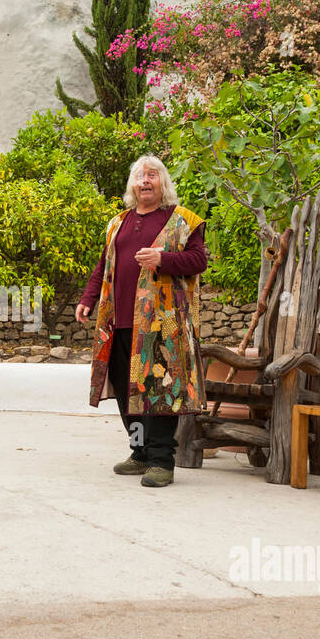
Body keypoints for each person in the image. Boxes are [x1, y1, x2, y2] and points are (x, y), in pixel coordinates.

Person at [76, 155, 210, 488]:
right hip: (119, 322)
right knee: (126, 391)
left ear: (163, 183)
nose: (145, 181)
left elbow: (198, 261)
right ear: (132, 185)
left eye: (152, 175)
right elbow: (102, 267)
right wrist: (87, 300)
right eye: (140, 176)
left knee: (159, 390)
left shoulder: (182, 220)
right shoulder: (117, 223)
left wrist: (163, 259)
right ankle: (139, 452)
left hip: (161, 323)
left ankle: (162, 462)